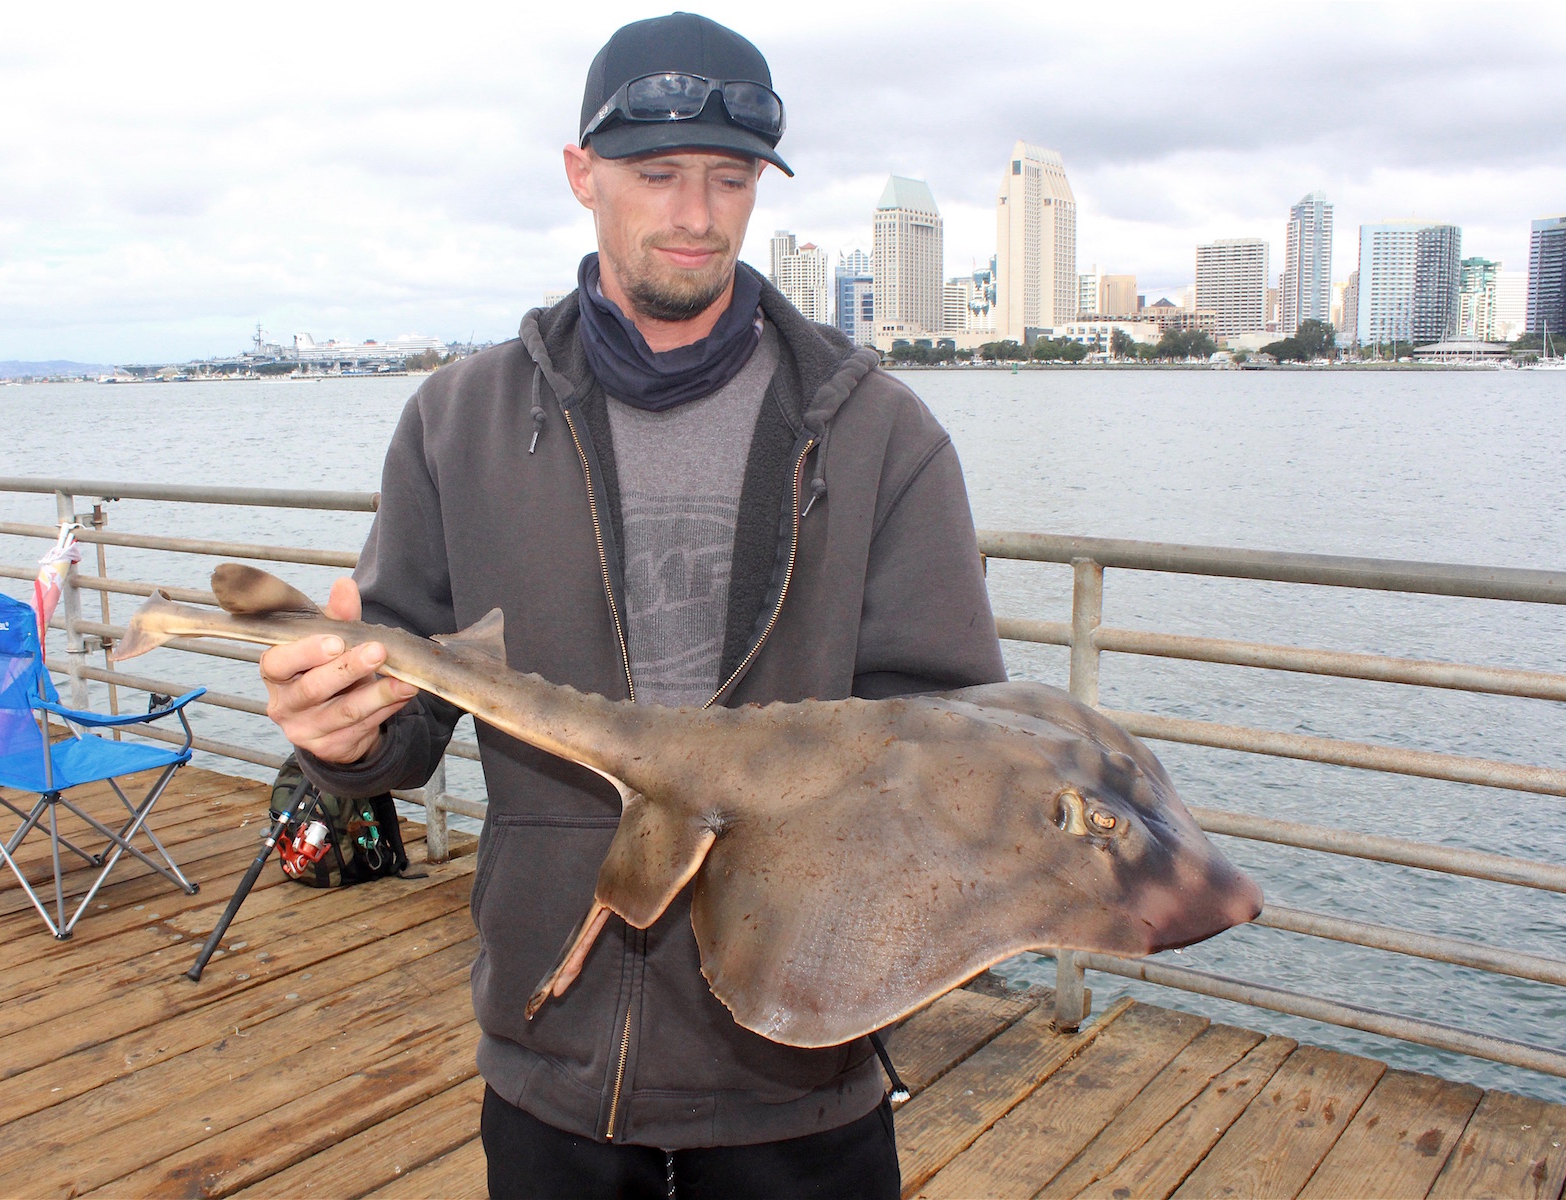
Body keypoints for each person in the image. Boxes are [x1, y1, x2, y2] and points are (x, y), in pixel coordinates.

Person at [258, 13, 1006, 1198]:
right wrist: (341, 729)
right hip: (551, 1059)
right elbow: (401, 718)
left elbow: (951, 739)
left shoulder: (881, 434)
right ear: (581, 176)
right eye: (657, 175)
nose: (696, 214)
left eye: (730, 177)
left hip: (801, 1066)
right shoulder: (458, 422)